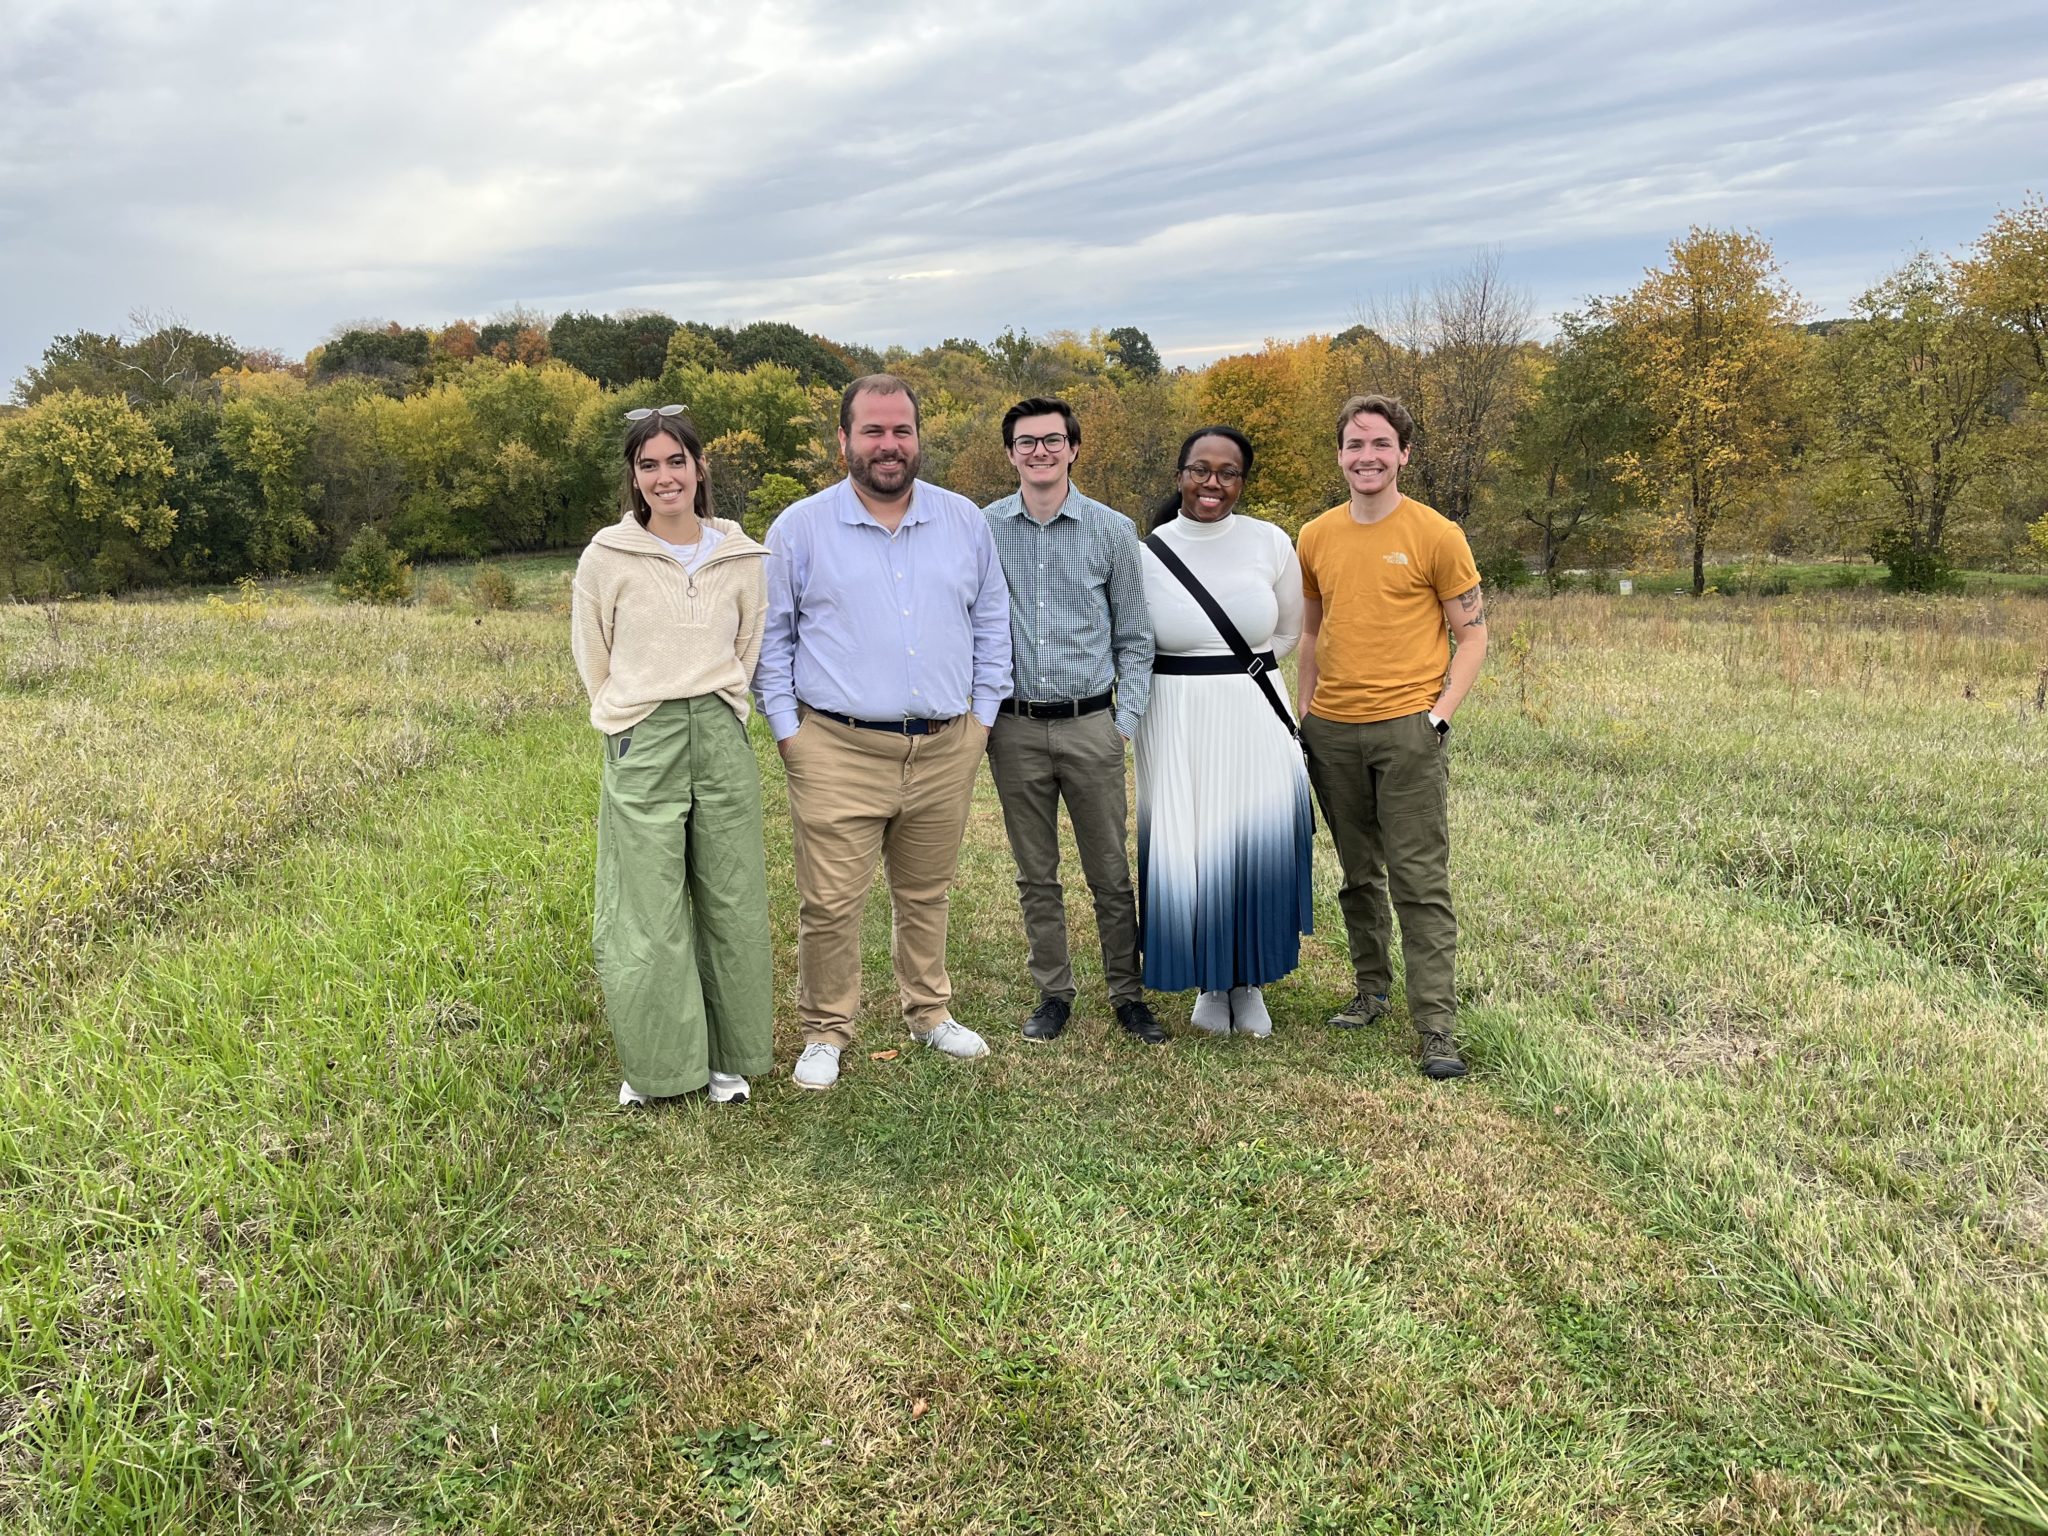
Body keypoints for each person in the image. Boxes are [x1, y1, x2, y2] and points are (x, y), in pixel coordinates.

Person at [756, 374, 1013, 1092]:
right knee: (830, 902)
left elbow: (992, 623)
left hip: (945, 744)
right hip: (835, 747)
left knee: (926, 892)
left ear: (918, 437)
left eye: (901, 430)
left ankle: (929, 1013)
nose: (888, 444)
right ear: (843, 439)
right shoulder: (800, 528)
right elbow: (772, 640)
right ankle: (825, 1030)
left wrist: (982, 721)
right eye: (872, 430)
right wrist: (788, 735)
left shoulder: (964, 521)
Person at [570, 405, 774, 1106]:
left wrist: (718, 705)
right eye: (648, 465)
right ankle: (659, 1066)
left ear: (699, 467)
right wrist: (631, 716)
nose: (665, 477)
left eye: (676, 461)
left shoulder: (742, 558)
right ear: (634, 477)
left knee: (732, 897)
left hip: (718, 731)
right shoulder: (606, 558)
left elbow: (747, 647)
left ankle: (730, 1057)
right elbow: (593, 655)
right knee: (646, 904)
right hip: (644, 733)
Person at [1296, 394, 1488, 1079]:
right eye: (1355, 444)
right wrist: (1305, 713)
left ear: (1404, 453)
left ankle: (1436, 1026)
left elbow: (1472, 635)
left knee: (1418, 880)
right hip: (1332, 731)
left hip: (1408, 729)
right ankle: (1370, 990)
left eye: (1381, 444)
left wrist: (1439, 716)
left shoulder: (1437, 534)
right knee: (1358, 874)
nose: (1367, 456)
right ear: (1340, 455)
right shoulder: (1315, 536)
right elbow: (1312, 632)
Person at [982, 397, 1162, 1045]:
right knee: (1036, 873)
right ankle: (1054, 993)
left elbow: (1135, 637)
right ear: (1011, 454)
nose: (1040, 452)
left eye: (1052, 440)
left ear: (1074, 448)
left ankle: (1127, 994)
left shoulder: (1112, 530)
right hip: (1014, 728)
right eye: (1026, 442)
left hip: (1092, 724)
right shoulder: (984, 529)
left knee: (1110, 870)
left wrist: (1124, 719)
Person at [1135, 426, 1313, 1038]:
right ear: (1180, 474)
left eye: (1228, 472)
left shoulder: (1270, 542)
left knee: (1252, 839)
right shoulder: (1148, 552)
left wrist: (1235, 678)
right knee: (1191, 842)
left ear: (1242, 481)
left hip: (1253, 711)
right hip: (1176, 716)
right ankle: (1211, 983)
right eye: (1200, 469)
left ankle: (1249, 980)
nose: (1212, 483)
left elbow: (1287, 632)